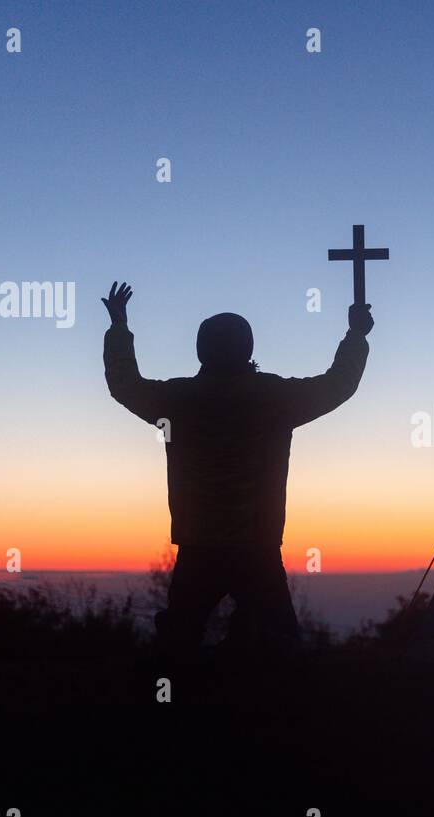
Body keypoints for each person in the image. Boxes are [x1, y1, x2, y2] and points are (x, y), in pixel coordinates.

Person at [100, 281, 372, 674]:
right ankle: (287, 716)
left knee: (178, 645)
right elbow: (338, 385)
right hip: (256, 545)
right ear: (247, 348)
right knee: (282, 648)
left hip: (199, 544)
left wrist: (119, 329)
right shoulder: (273, 398)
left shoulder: (179, 401)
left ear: (201, 350)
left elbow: (125, 386)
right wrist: (356, 335)